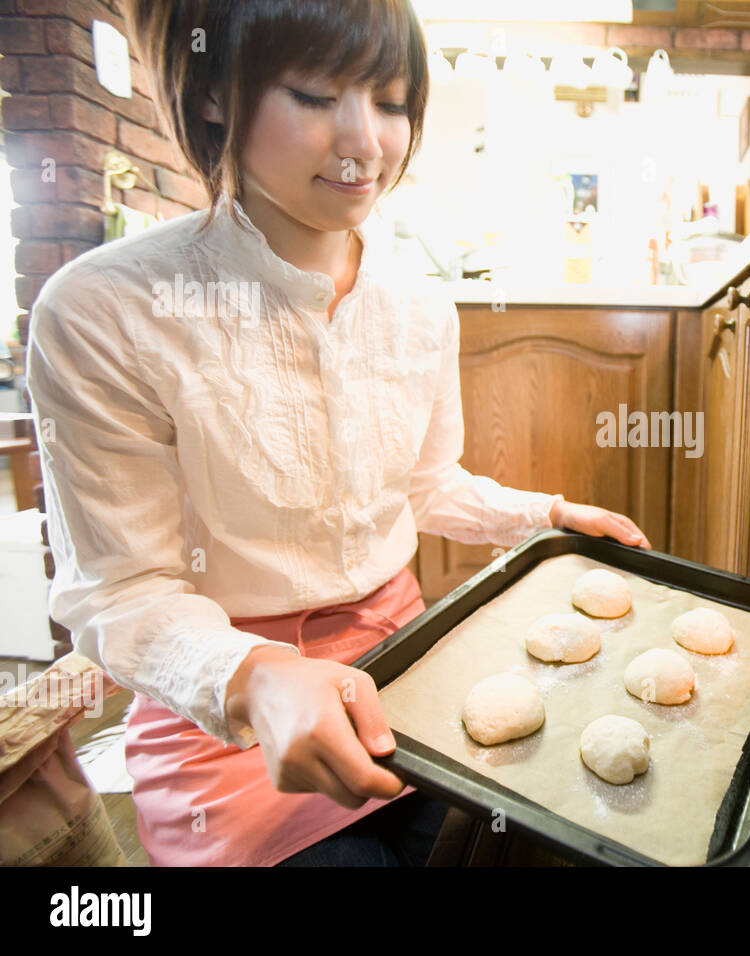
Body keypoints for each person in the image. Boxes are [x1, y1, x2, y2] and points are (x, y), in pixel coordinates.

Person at [24, 0, 651, 867]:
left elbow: (427, 484)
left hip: (411, 676)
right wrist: (252, 678)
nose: (365, 143)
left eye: (392, 102)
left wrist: (540, 517)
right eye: (317, 95)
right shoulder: (104, 311)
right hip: (228, 731)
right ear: (212, 92)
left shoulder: (420, 304)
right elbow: (121, 594)